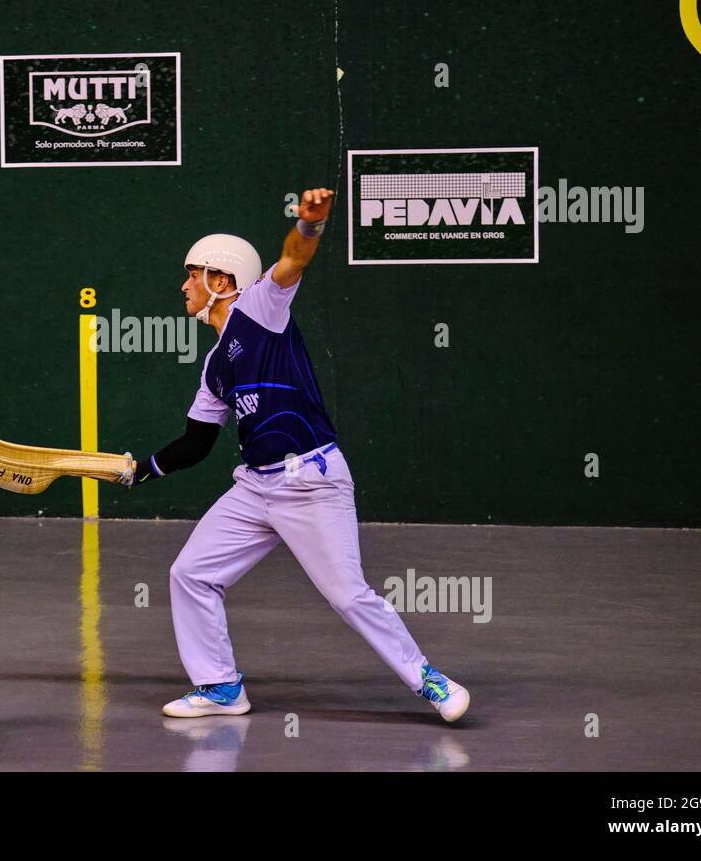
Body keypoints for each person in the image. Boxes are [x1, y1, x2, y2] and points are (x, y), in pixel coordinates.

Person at [125, 188, 469, 722]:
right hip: (255, 487)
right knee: (190, 573)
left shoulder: (260, 309)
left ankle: (429, 679)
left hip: (311, 480)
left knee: (347, 595)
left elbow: (294, 258)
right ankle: (220, 687)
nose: (183, 286)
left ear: (221, 280)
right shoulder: (215, 365)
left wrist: (308, 224)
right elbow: (195, 443)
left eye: (192, 274)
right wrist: (139, 470)